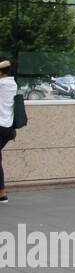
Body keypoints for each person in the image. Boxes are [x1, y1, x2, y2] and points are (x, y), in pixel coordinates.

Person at [0, 59, 16, 203]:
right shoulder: (11, 83)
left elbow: (6, 62)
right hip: (7, 128)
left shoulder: (3, 83)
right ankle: (1, 194)